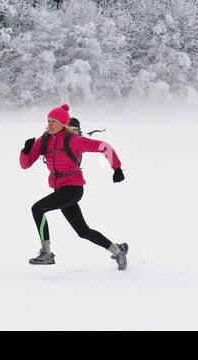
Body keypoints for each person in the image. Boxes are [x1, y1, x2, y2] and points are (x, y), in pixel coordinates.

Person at [19, 104, 128, 269]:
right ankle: (117, 249)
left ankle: (46, 253)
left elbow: (104, 147)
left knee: (37, 209)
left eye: (53, 121)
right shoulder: (45, 141)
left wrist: (117, 168)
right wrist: (26, 151)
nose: (49, 125)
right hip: (60, 190)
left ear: (63, 124)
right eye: (48, 121)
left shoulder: (73, 140)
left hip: (73, 189)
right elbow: (25, 165)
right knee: (83, 231)